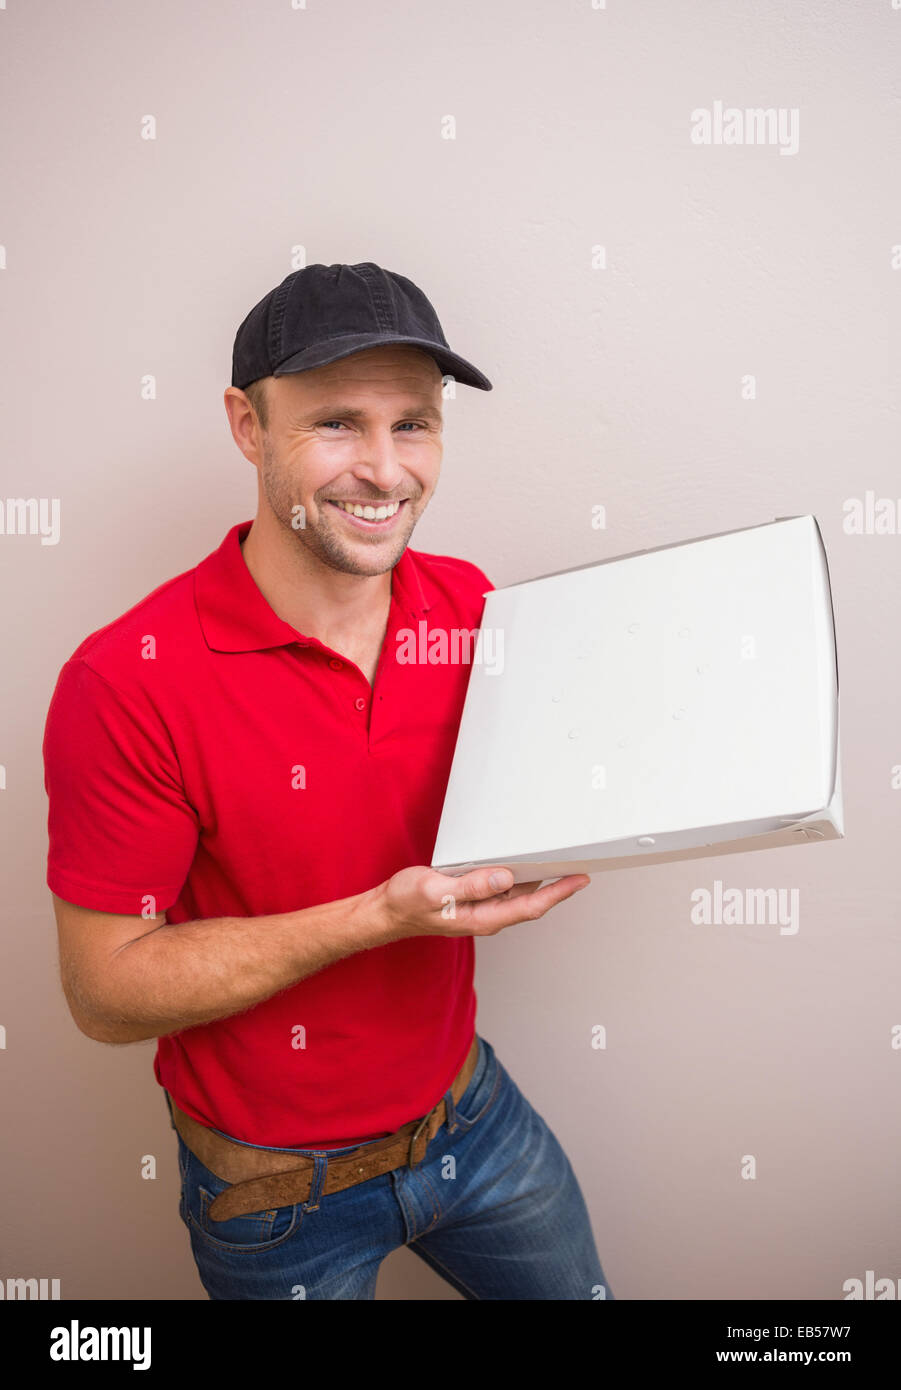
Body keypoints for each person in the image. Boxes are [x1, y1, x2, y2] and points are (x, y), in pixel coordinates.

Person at [42, 261, 613, 1301]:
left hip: (470, 1120)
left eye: (414, 424)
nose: (385, 471)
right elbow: (106, 992)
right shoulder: (126, 680)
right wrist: (379, 915)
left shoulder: (474, 607)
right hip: (274, 1194)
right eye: (337, 423)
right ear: (246, 426)